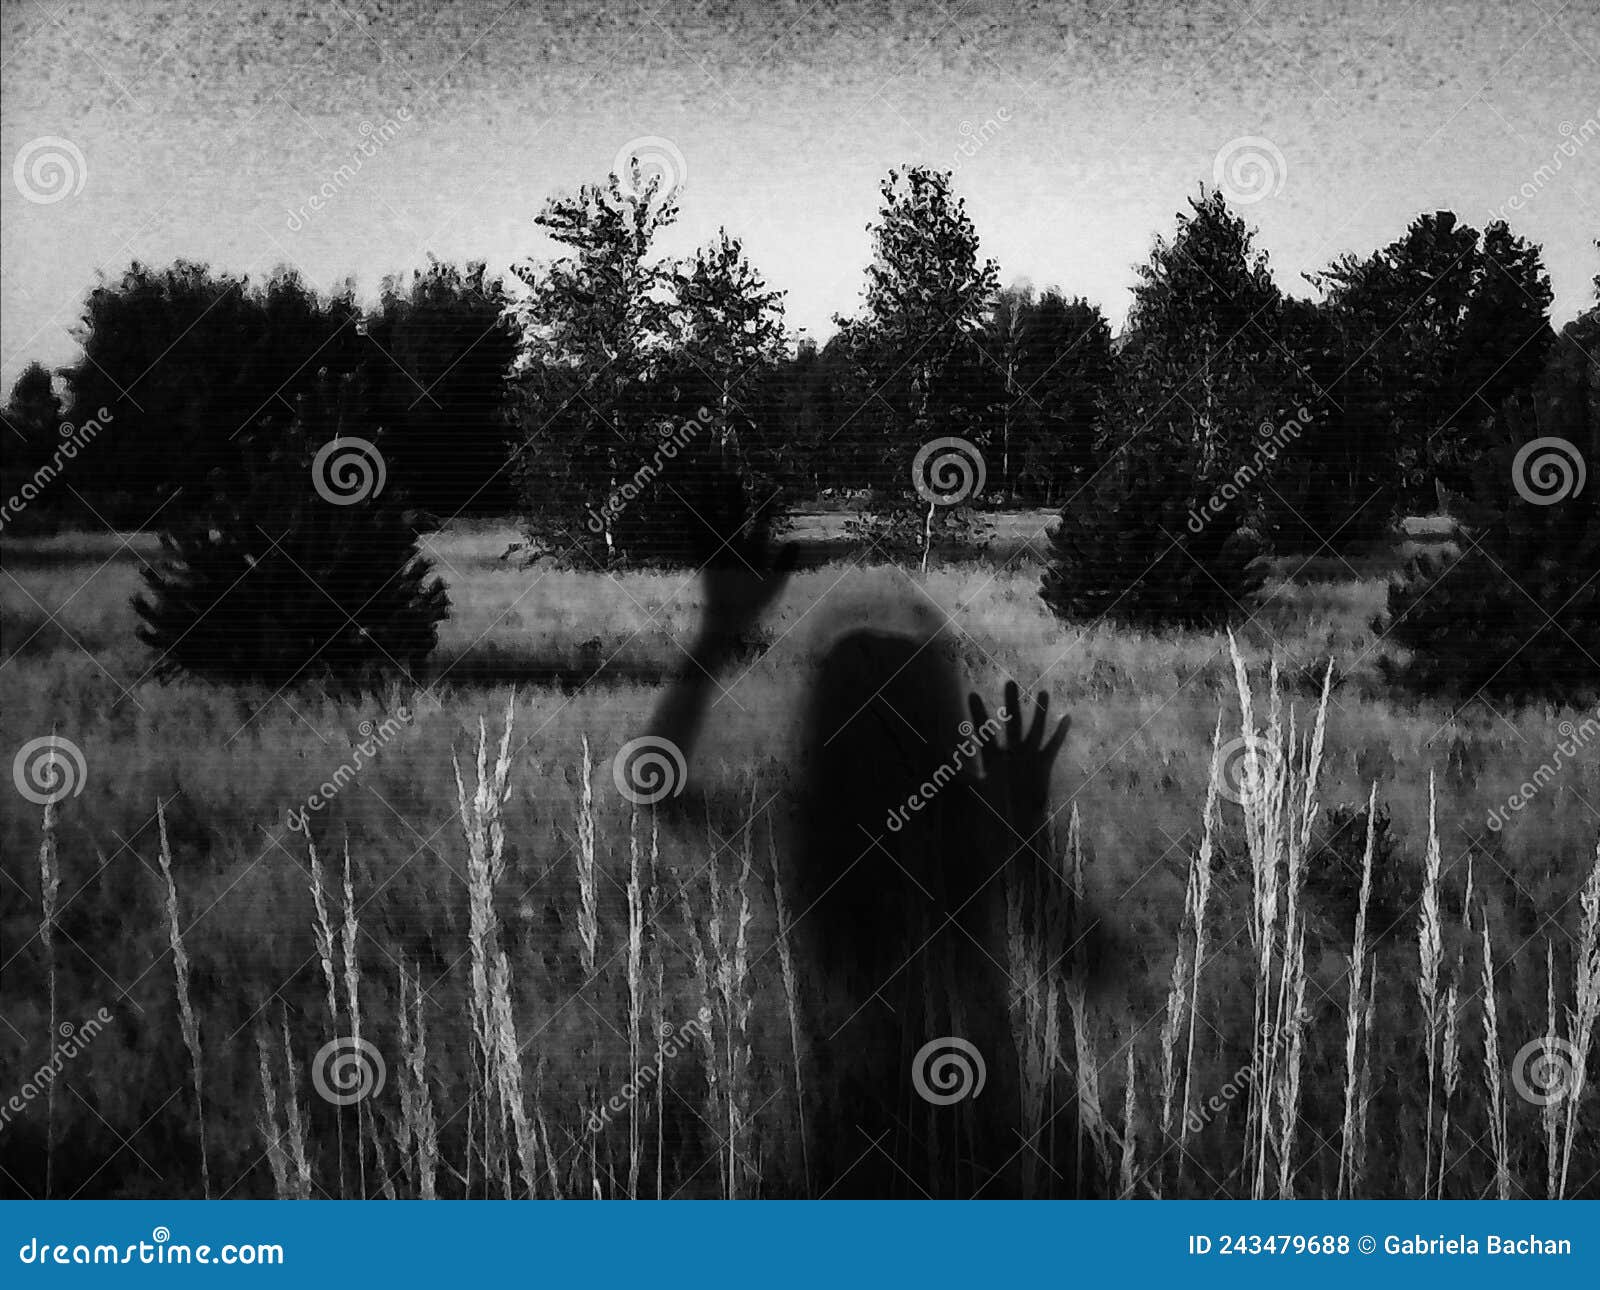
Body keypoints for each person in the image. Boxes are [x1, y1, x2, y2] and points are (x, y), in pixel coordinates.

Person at [643, 532, 1089, 1198]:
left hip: (841, 1132)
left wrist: (715, 636)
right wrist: (1027, 831)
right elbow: (1094, 967)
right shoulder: (972, 823)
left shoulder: (802, 828)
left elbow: (657, 793)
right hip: (983, 1133)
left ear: (825, 720)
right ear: (941, 711)